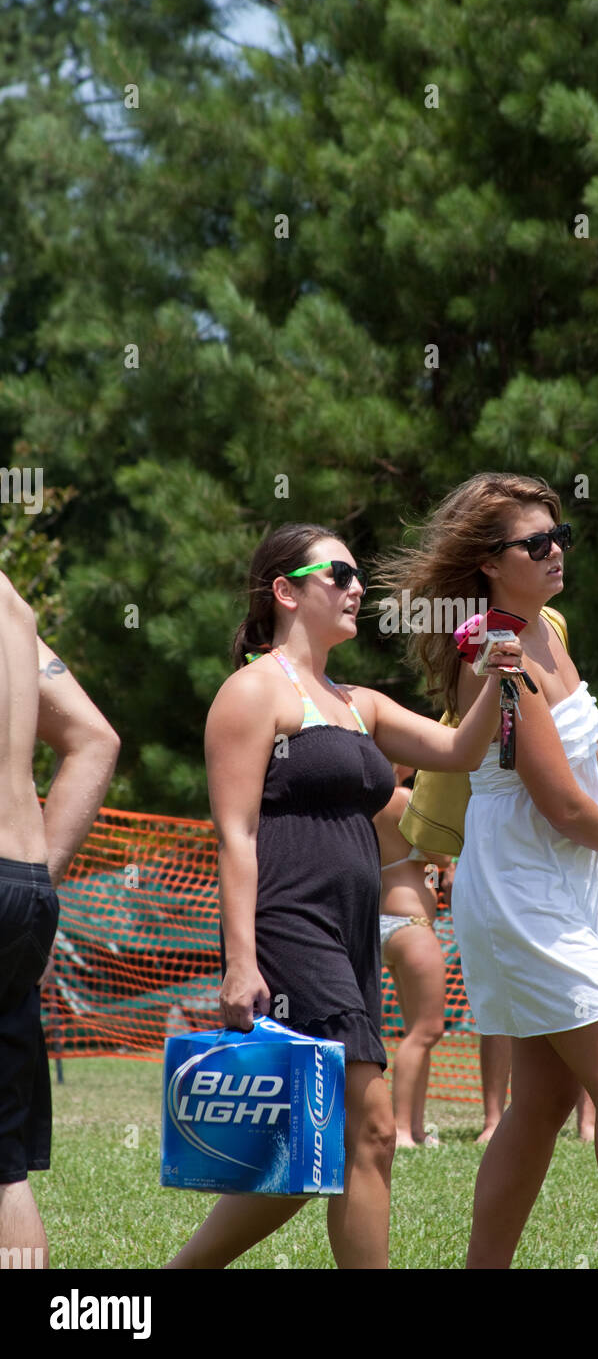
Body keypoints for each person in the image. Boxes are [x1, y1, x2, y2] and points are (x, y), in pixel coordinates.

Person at [166, 523, 522, 1270]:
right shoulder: (252, 692)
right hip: (288, 925)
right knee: (371, 1127)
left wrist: (495, 674)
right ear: (285, 592)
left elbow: (460, 750)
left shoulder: (359, 703)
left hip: (354, 932)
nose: (357, 587)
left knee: (317, 1143)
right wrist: (240, 963)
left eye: (358, 576)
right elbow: (235, 836)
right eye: (339, 574)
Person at [376, 473, 598, 1269]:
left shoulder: (546, 625)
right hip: (523, 892)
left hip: (559, 885)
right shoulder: (495, 650)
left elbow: (582, 779)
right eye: (537, 543)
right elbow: (557, 799)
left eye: (561, 537)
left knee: (545, 1101)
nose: (557, 552)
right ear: (490, 562)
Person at [0, 572, 119, 1267]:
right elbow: (94, 738)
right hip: (21, 885)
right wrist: (37, 885)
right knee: (4, 1165)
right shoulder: (12, 606)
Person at [475, 722, 598, 1145]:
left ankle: (588, 1121)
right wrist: (561, 796)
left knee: (544, 1100)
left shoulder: (586, 712)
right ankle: (492, 1117)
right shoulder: (509, 689)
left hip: (577, 870)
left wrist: (576, 805)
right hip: (518, 876)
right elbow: (557, 800)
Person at [373, 765, 449, 1148]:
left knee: (416, 1030)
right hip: (412, 925)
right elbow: (441, 853)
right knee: (427, 1030)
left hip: (384, 924)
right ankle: (402, 1129)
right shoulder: (402, 798)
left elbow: (429, 864)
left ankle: (416, 1128)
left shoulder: (365, 804)